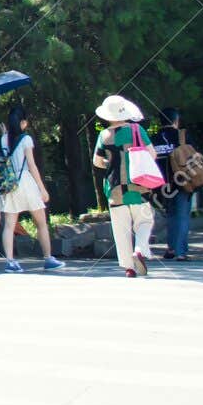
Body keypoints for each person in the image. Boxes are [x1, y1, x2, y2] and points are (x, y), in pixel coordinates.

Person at [0, 103, 64, 273]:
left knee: (9, 225)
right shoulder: (26, 139)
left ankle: (11, 262)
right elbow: (31, 165)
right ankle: (48, 258)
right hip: (25, 181)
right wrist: (42, 188)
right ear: (22, 122)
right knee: (40, 223)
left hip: (9, 184)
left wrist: (4, 135)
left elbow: (5, 156)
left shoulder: (1, 140)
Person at [91, 94, 156, 277]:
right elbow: (152, 154)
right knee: (145, 221)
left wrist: (109, 163)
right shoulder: (137, 130)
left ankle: (129, 268)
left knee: (121, 229)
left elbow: (97, 161)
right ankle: (139, 250)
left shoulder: (103, 135)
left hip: (114, 189)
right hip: (138, 186)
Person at [153, 106, 192, 261]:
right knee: (182, 216)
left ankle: (171, 248)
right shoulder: (182, 136)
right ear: (176, 120)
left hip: (161, 184)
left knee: (170, 215)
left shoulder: (153, 139)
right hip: (182, 183)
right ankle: (180, 252)